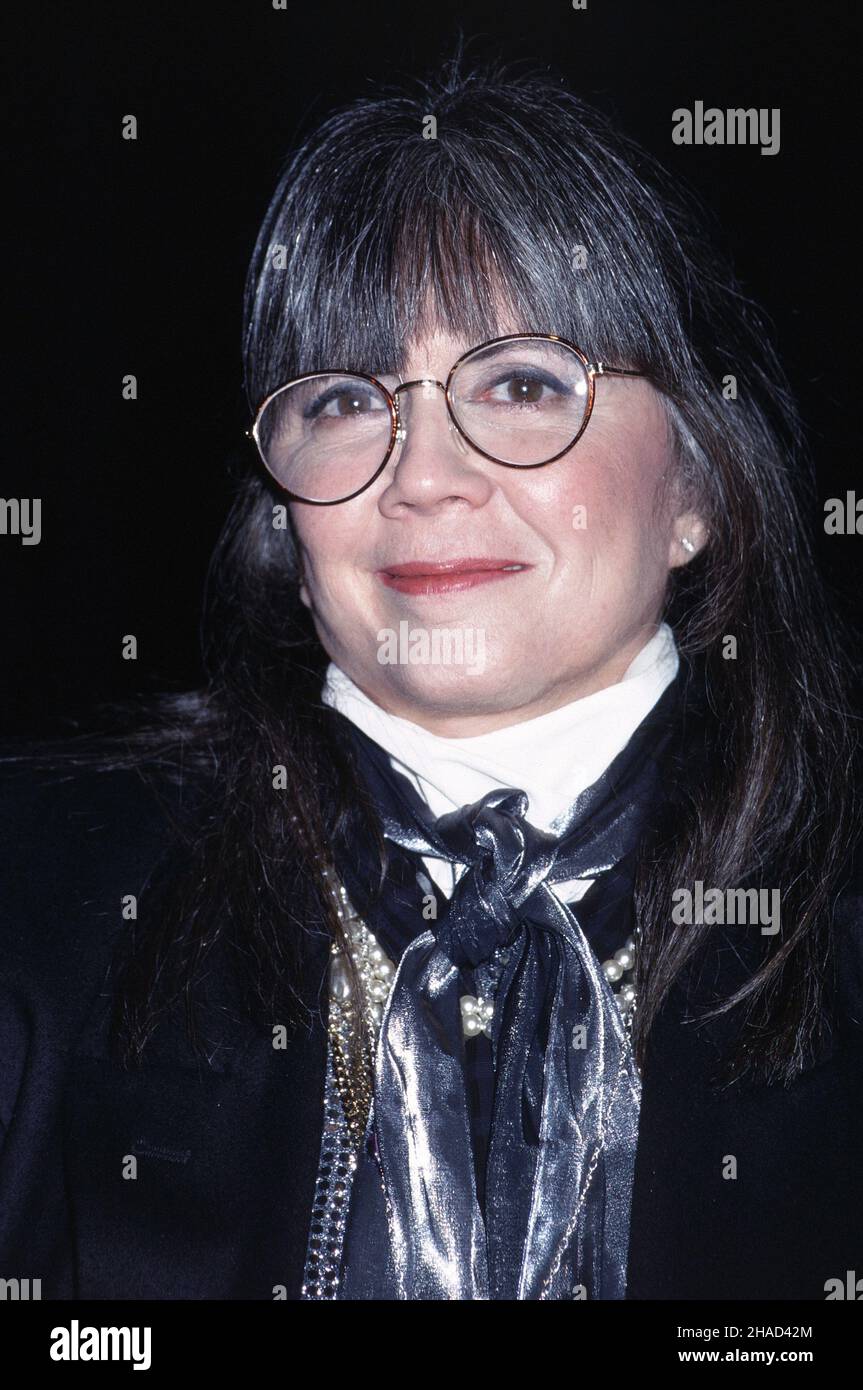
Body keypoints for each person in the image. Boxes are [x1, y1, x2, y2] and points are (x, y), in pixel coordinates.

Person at [1, 56, 861, 1302]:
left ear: (695, 488)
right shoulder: (35, 917)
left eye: (520, 383)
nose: (422, 475)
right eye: (349, 398)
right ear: (288, 530)